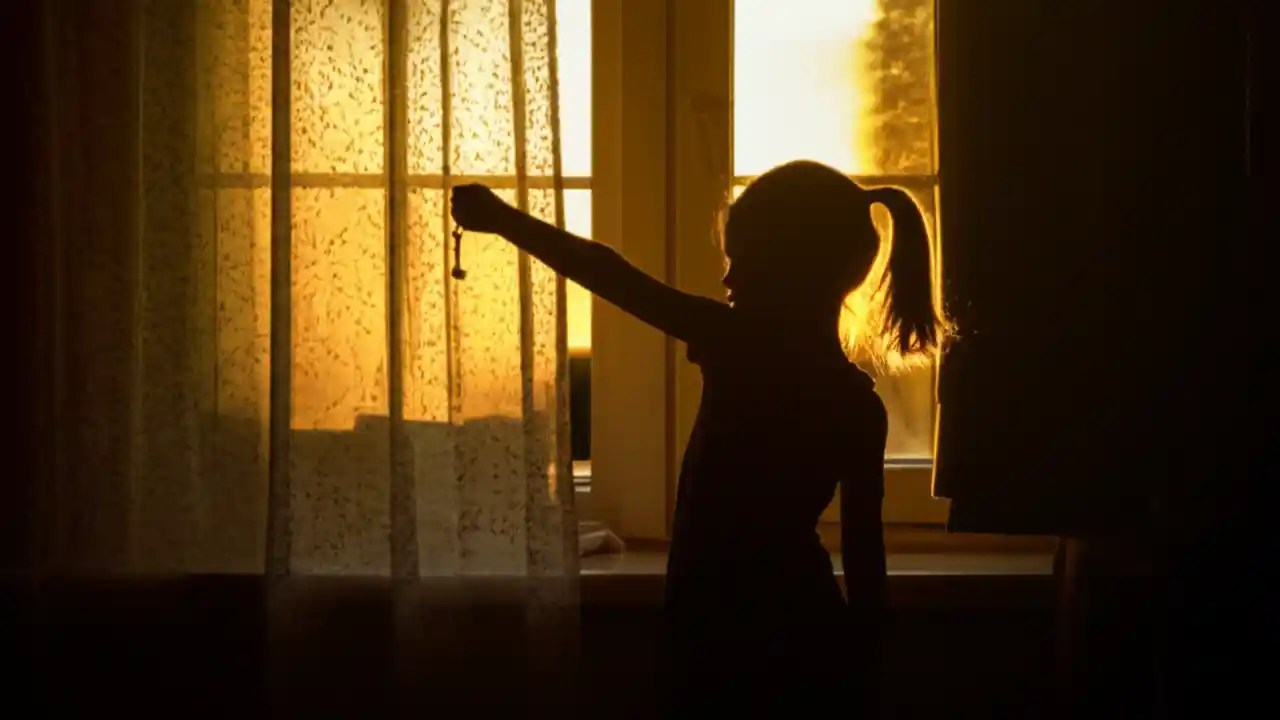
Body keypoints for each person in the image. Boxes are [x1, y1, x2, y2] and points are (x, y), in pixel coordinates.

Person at [450, 160, 947, 716]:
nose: (728, 281)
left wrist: (504, 220)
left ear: (790, 271)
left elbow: (609, 274)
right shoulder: (857, 404)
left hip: (723, 633)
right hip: (803, 633)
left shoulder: (734, 345)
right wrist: (867, 670)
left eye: (743, 262)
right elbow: (864, 557)